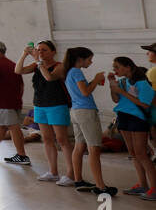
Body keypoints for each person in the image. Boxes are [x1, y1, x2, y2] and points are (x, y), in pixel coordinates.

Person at [15, 40, 74, 185]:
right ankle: (53, 172)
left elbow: (49, 77)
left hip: (57, 105)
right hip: (40, 105)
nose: (41, 52)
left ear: (53, 52)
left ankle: (71, 173)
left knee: (62, 139)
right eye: (38, 50)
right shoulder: (36, 66)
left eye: (44, 50)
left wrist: (38, 61)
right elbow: (18, 70)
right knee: (47, 139)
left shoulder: (60, 66)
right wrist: (24, 54)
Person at [63, 46, 115, 195]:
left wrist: (93, 81)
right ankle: (101, 186)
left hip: (76, 111)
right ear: (81, 59)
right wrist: (96, 79)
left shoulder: (70, 72)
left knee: (79, 146)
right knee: (94, 148)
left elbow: (81, 91)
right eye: (89, 59)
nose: (91, 62)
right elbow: (85, 92)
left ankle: (78, 180)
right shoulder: (77, 72)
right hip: (85, 112)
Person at [108, 57, 156, 199]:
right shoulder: (123, 82)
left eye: (117, 67)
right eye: (114, 67)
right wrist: (112, 86)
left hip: (138, 118)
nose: (114, 70)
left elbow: (145, 104)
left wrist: (122, 92)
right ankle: (142, 184)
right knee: (133, 153)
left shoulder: (143, 83)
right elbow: (116, 100)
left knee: (141, 153)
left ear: (128, 67)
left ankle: (154, 187)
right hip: (123, 116)